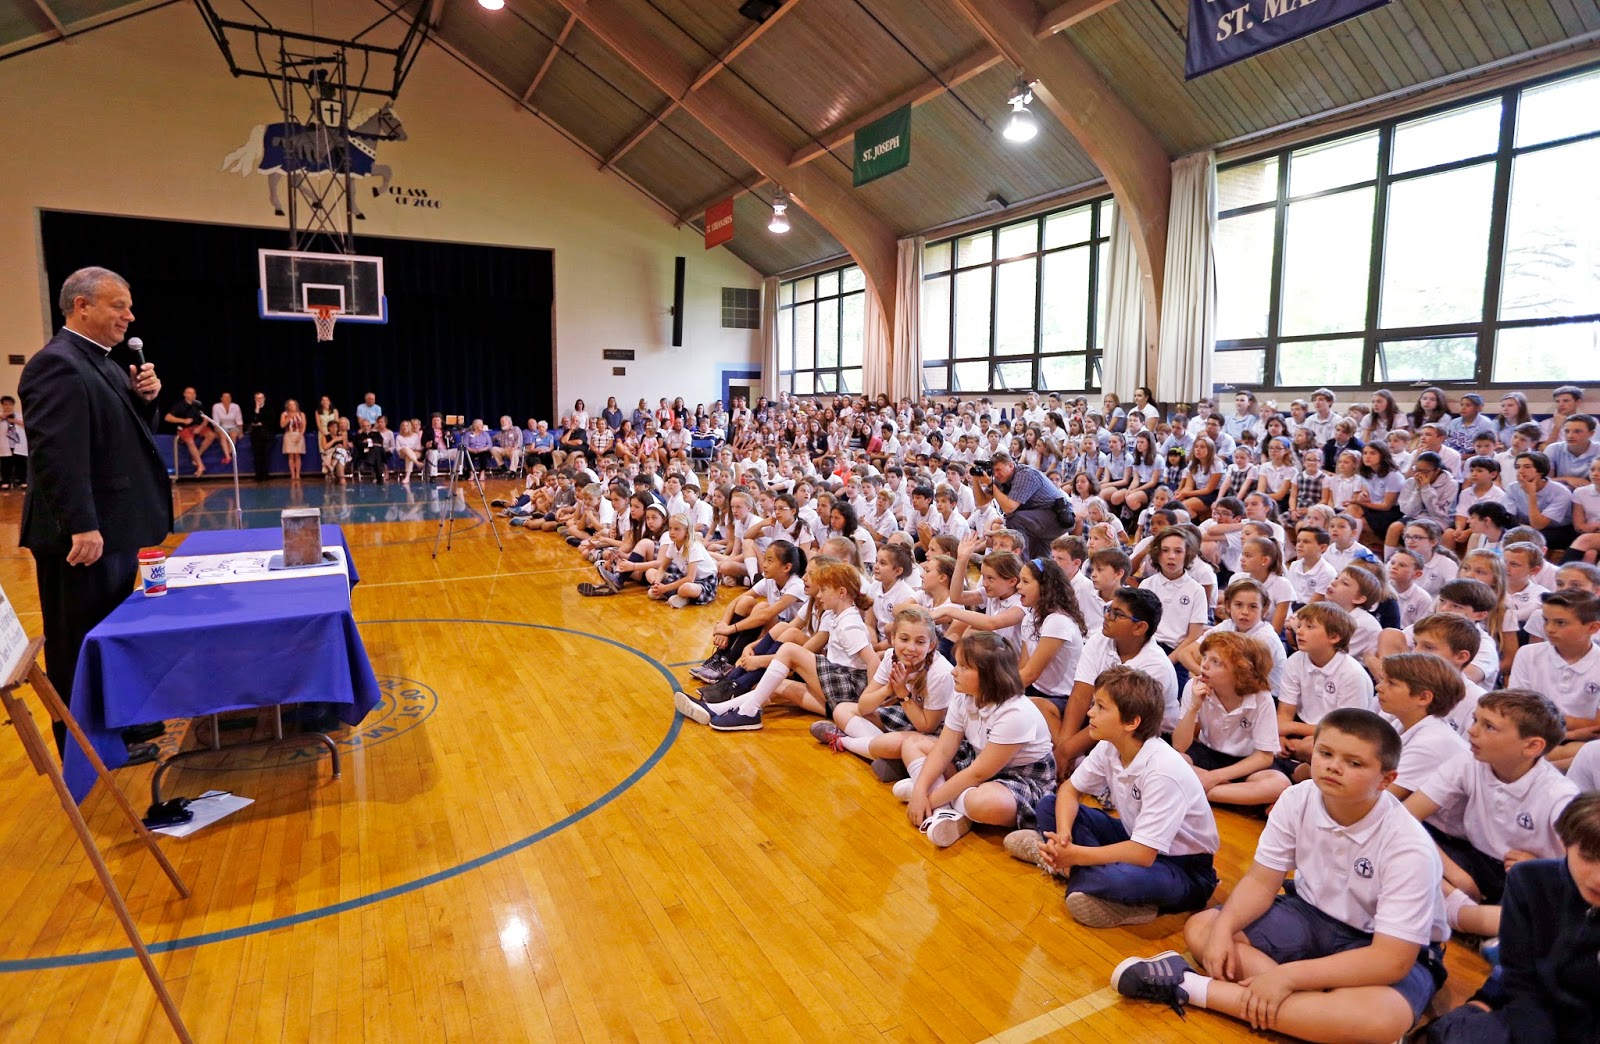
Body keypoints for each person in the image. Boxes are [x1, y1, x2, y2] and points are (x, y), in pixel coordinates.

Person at [1113, 708, 1449, 1044]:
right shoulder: (1296, 798)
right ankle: (1321, 1013)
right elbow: (1261, 881)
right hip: (1310, 913)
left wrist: (1288, 978)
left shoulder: (1409, 846)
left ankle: (1190, 986)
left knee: (1381, 1020)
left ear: (1386, 779)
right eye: (1326, 753)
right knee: (1205, 929)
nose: (1333, 766)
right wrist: (1225, 929)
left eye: (1354, 763)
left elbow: (1390, 960)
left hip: (1379, 944)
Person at [21, 267, 171, 758]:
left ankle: (118, 728)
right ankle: (87, 752)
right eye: (118, 306)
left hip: (115, 529)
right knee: (78, 646)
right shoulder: (57, 364)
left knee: (109, 636)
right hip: (85, 537)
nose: (129, 316)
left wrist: (146, 400)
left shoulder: (103, 362)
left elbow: (119, 438)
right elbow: (55, 455)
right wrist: (81, 524)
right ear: (81, 306)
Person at [1018, 665, 1220, 928]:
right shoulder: (1108, 746)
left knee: (1123, 878)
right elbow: (1069, 789)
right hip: (1135, 837)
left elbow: (1143, 854)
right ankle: (1069, 865)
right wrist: (1066, 836)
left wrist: (1076, 855)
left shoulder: (1163, 770)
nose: (1090, 712)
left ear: (1131, 722)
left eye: (1101, 707)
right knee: (1048, 805)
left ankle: (1062, 864)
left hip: (1184, 868)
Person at [1424, 792, 1600, 1043]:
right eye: (1588, 857)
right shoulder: (1529, 880)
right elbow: (1522, 980)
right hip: (1531, 1008)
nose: (1598, 877)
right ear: (1567, 842)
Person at [971, 452, 1075, 557]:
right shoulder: (1002, 479)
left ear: (1011, 466)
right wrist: (975, 479)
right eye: (993, 471)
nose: (996, 474)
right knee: (1039, 558)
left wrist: (990, 484)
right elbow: (981, 502)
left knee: (1014, 518)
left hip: (1058, 517)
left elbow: (1009, 508)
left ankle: (1019, 563)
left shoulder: (1025, 475)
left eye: (998, 470)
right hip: (1038, 520)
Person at [164, 386, 215, 476]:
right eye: (189, 393)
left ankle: (196, 457)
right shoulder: (179, 405)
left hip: (198, 427)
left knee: (211, 435)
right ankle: (200, 465)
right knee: (190, 441)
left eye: (193, 393)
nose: (192, 395)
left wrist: (200, 427)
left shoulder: (199, 405)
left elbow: (206, 419)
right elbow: (168, 418)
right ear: (184, 394)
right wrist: (183, 420)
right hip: (185, 428)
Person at [244, 391, 276, 481]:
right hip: (256, 435)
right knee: (257, 455)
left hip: (267, 434)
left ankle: (265, 475)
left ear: (264, 399)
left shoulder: (269, 408)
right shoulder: (252, 409)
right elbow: (252, 420)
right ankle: (258, 475)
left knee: (265, 455)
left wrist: (261, 422)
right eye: (257, 398)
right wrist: (257, 410)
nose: (259, 400)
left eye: (261, 398)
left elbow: (270, 420)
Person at [0, 393, 29, 490]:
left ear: (13, 405)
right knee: (5, 463)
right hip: (5, 444)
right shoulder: (1, 416)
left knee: (21, 463)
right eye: (5, 404)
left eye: (10, 404)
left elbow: (27, 425)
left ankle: (23, 482)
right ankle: (5, 482)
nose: (8, 406)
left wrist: (15, 421)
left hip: (19, 444)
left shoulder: (20, 415)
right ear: (2, 405)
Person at [210, 391, 242, 463]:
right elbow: (216, 421)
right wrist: (216, 431)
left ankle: (230, 452)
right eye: (225, 397)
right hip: (221, 427)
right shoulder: (216, 406)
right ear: (221, 398)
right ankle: (227, 456)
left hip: (233, 426)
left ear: (231, 398)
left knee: (233, 435)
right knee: (223, 435)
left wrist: (241, 432)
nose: (227, 399)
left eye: (228, 397)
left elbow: (239, 421)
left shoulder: (236, 406)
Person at [280, 398, 307, 481]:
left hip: (299, 435)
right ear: (287, 406)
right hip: (289, 435)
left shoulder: (301, 414)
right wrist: (288, 418)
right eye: (290, 405)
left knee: (297, 455)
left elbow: (304, 426)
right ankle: (292, 474)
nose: (292, 406)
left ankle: (298, 474)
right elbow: (282, 425)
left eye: (293, 404)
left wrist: (300, 435)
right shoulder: (284, 414)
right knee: (291, 456)